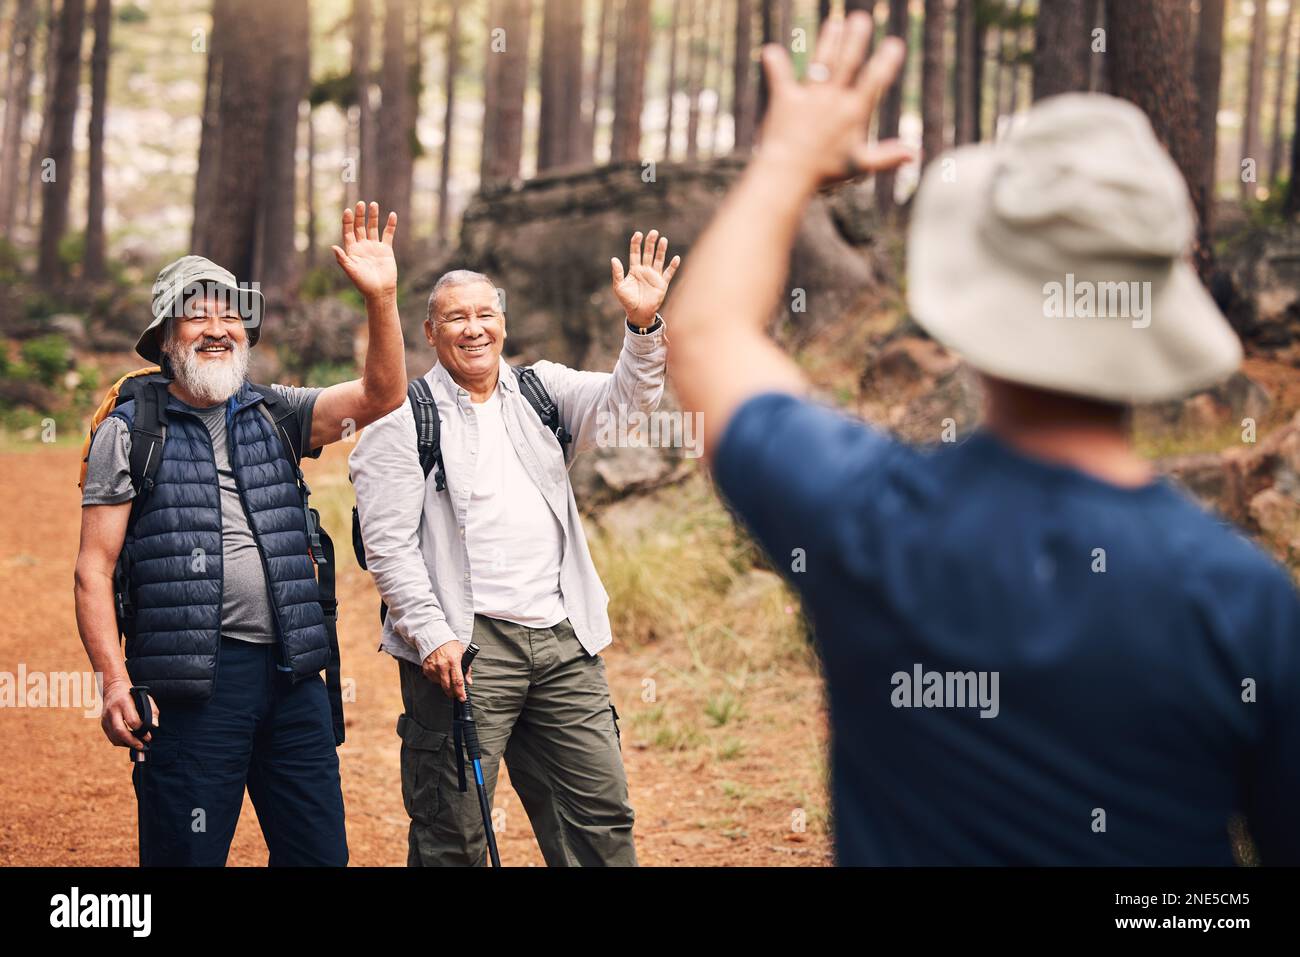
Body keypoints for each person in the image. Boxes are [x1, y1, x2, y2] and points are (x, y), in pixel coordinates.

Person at [666, 12, 1300, 864]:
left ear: (977, 305)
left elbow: (706, 336)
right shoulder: (1246, 603)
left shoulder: (869, 522)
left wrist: (789, 160)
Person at [74, 203, 408, 866]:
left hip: (294, 674)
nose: (217, 328)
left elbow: (381, 395)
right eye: (197, 315)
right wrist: (113, 682)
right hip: (191, 686)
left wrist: (381, 298)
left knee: (319, 856)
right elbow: (93, 569)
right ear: (166, 337)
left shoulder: (277, 411)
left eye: (230, 315)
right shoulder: (130, 430)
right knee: (187, 855)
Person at [349, 231, 680, 866]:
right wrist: (432, 637)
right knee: (455, 834)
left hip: (562, 641)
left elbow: (625, 406)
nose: (474, 329)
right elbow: (388, 548)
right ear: (430, 332)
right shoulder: (401, 418)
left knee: (599, 819)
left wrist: (641, 328)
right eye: (456, 318)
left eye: (485, 314)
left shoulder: (542, 390)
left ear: (503, 322)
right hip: (464, 651)